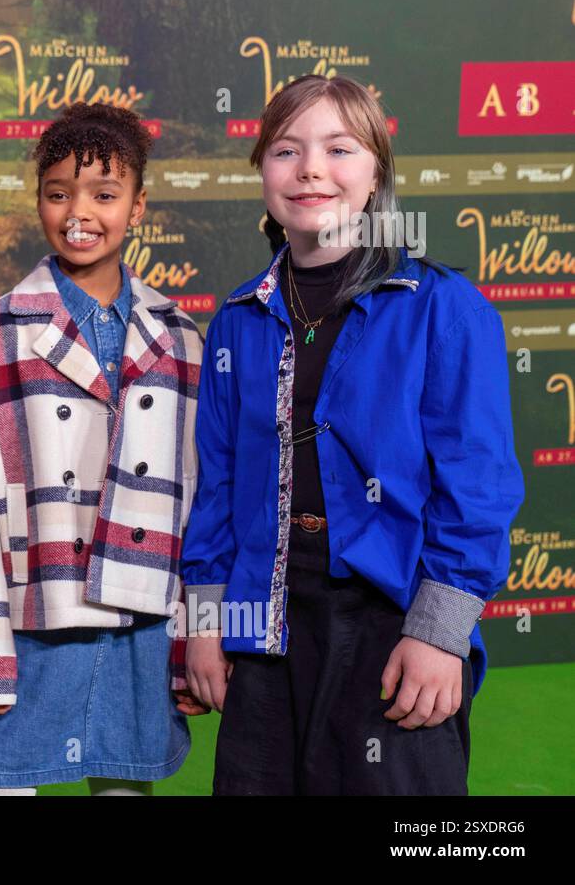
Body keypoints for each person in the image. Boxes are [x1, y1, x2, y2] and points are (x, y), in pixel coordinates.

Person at [181, 74, 525, 795]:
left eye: (339, 148)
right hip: (265, 616)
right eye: (285, 150)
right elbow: (216, 489)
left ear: (375, 175)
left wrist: (438, 633)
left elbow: (478, 484)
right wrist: (208, 623)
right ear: (263, 175)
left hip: (392, 618)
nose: (310, 169)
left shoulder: (445, 309)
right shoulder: (238, 320)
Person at [0, 103, 205, 795]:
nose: (77, 212)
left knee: (123, 789)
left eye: (103, 193)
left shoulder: (181, 337)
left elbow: (193, 500)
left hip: (139, 616)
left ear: (138, 205)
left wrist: (188, 637)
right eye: (57, 193)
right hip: (34, 616)